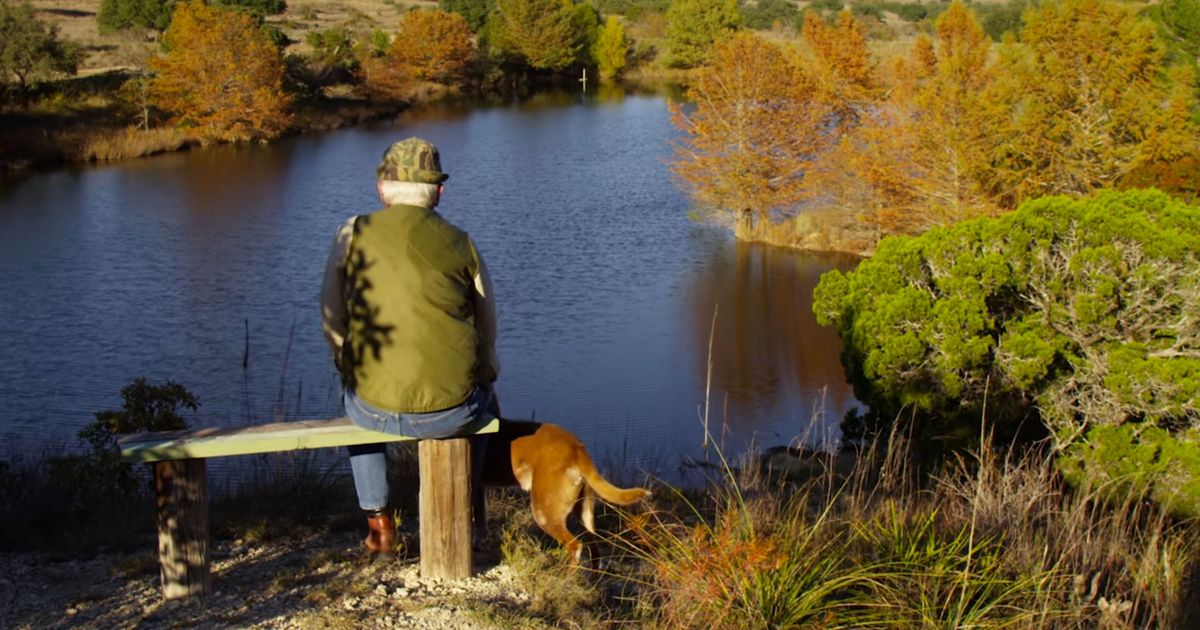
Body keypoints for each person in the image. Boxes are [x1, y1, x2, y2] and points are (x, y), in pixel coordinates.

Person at [320, 137, 500, 555]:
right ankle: (470, 514)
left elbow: (330, 312)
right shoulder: (462, 241)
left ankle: (379, 523)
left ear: (382, 189)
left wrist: (347, 365)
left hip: (372, 409)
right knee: (489, 399)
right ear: (439, 191)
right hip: (452, 411)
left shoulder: (352, 232)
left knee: (353, 395)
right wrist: (486, 375)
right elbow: (487, 326)